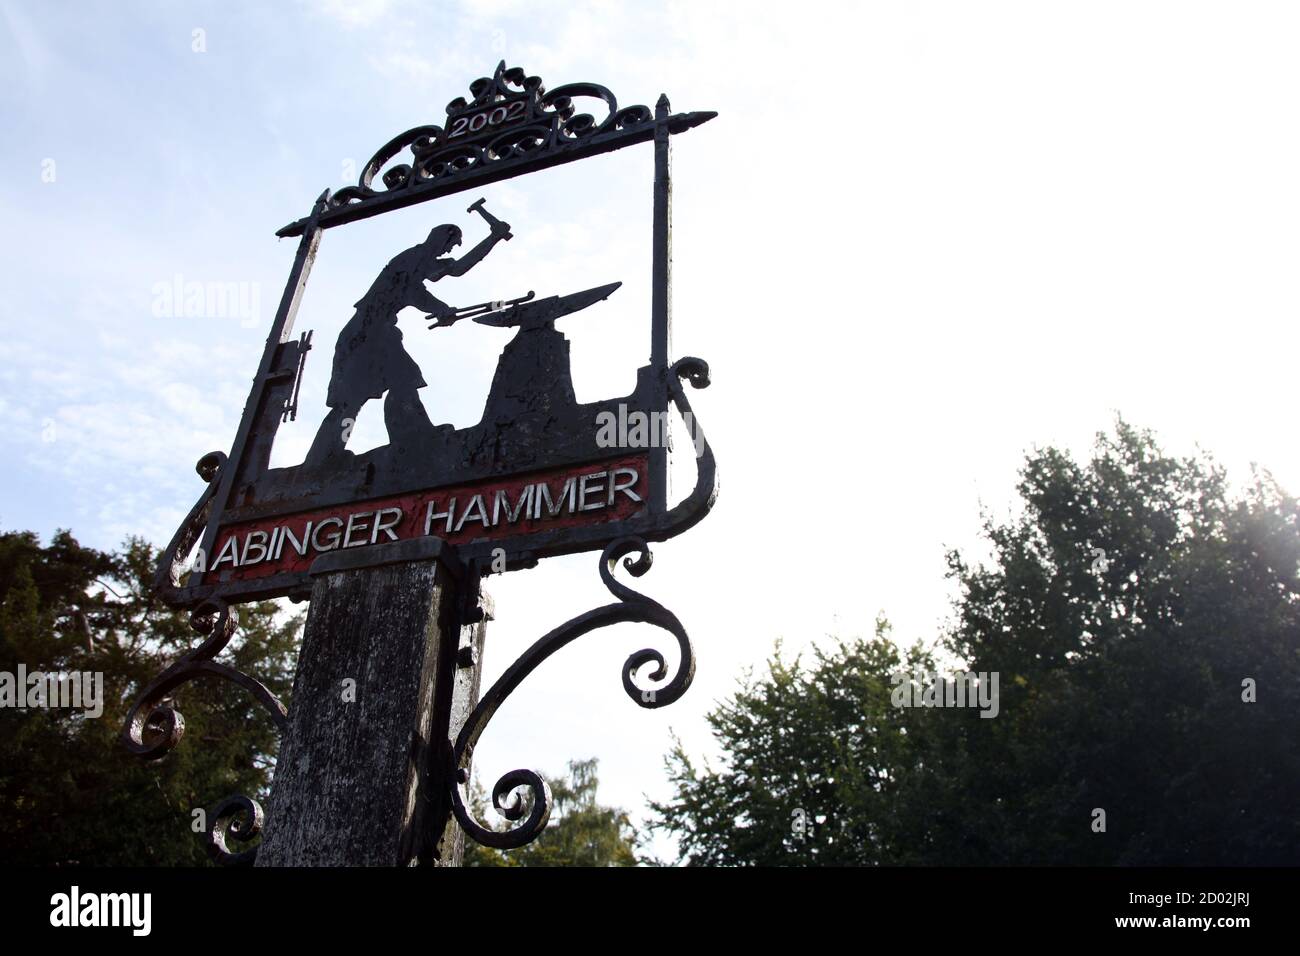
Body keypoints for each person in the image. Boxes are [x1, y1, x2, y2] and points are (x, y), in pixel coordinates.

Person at [304, 216, 510, 466]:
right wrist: (440, 308)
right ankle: (409, 436)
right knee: (395, 383)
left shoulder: (419, 259)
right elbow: (411, 290)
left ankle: (328, 452)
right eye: (451, 244)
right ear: (442, 238)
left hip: (369, 332)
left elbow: (456, 269)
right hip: (370, 332)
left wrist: (493, 238)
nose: (449, 250)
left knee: (360, 398)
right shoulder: (414, 258)